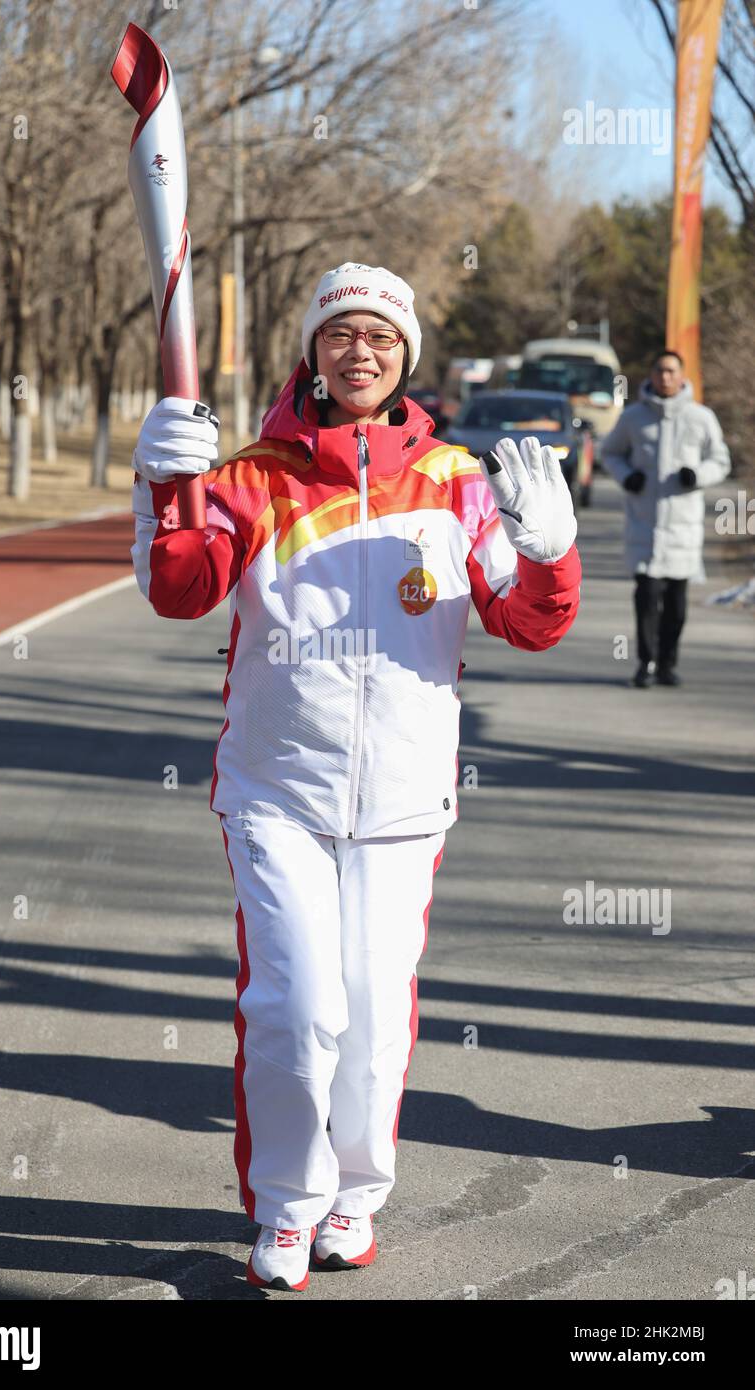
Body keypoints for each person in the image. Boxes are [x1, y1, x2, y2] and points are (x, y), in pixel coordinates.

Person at [129, 262, 582, 1292]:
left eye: (381, 334)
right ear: (313, 352)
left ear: (404, 355)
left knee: (373, 1014)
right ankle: (286, 1208)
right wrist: (165, 488)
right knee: (294, 1008)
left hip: (403, 802)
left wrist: (549, 554)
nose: (360, 349)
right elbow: (181, 590)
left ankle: (353, 1197)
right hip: (276, 792)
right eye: (341, 334)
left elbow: (529, 622)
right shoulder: (251, 476)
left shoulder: (459, 481)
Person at [600, 349, 731, 688]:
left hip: (682, 528)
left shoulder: (701, 418)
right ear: (652, 374)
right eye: (660, 370)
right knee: (645, 598)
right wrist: (627, 476)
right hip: (644, 524)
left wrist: (697, 475)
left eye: (672, 371)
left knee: (676, 606)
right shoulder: (633, 418)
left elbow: (721, 460)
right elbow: (610, 452)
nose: (665, 377)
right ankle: (645, 663)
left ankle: (668, 664)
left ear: (683, 375)